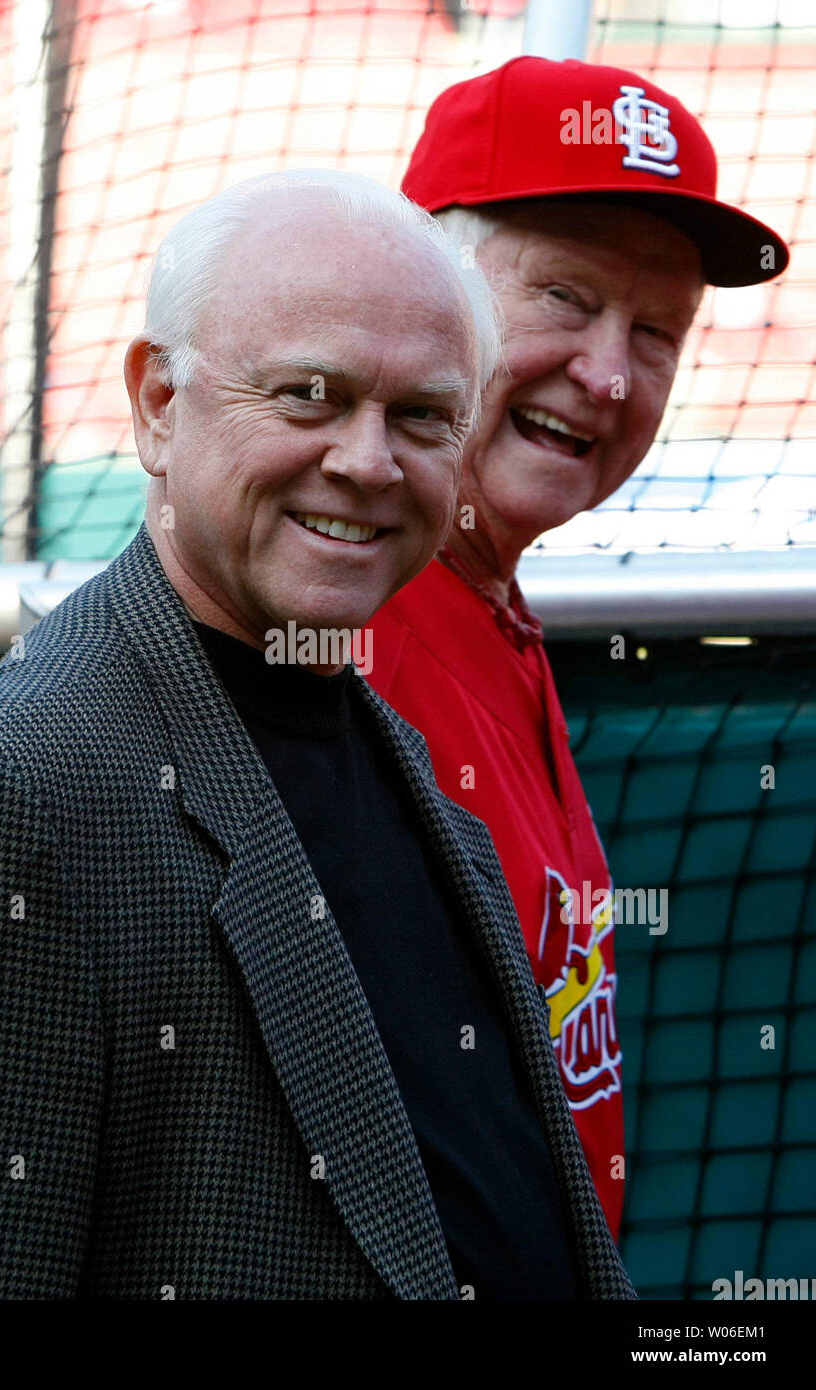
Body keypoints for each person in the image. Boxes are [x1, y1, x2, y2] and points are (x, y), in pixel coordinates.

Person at [0, 169, 635, 1300]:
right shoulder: (8, 792)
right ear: (159, 402)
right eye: (309, 394)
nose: (367, 460)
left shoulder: (390, 753)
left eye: (420, 417)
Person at [366, 56, 790, 1242]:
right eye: (563, 295)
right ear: (415, 283)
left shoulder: (484, 592)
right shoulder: (339, 631)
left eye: (656, 331)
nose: (609, 374)